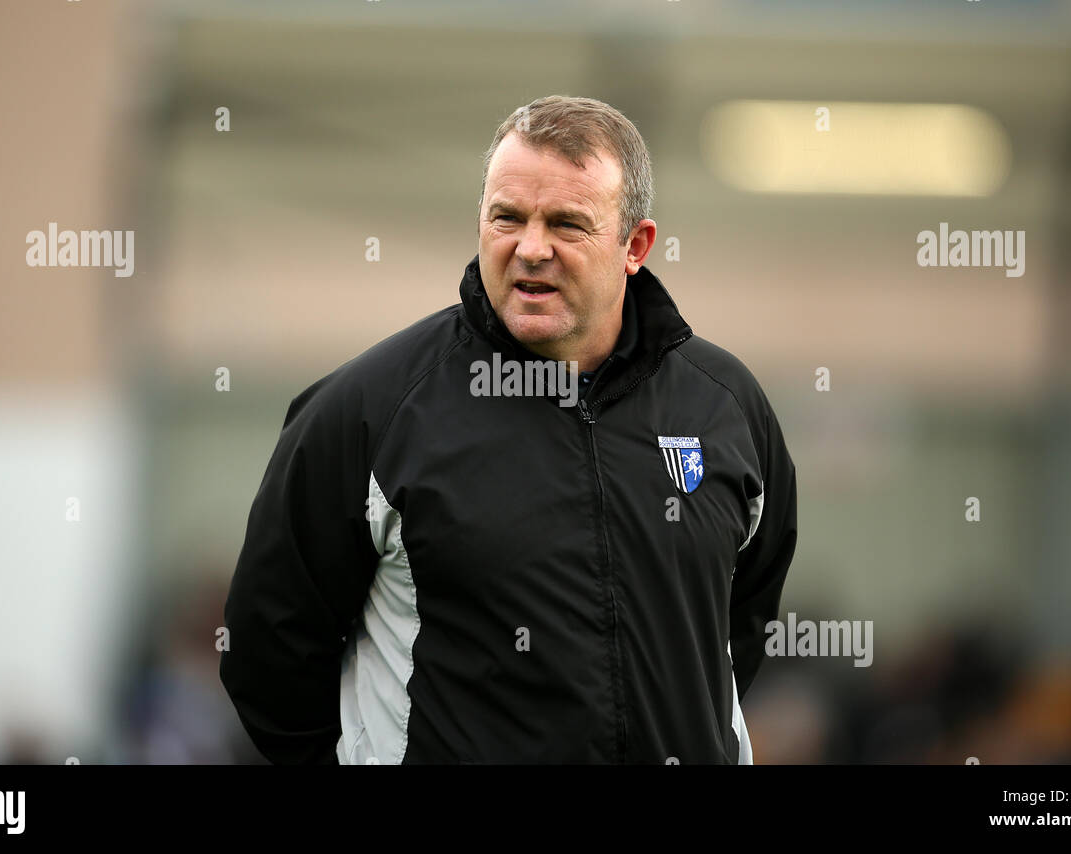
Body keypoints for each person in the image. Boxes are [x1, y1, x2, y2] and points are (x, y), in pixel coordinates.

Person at [220, 94, 797, 764]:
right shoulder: (371, 411)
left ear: (634, 245)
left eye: (567, 224)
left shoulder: (727, 408)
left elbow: (733, 636)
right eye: (507, 218)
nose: (530, 249)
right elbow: (269, 657)